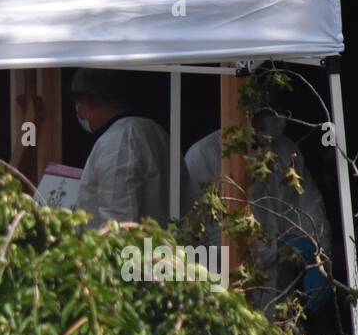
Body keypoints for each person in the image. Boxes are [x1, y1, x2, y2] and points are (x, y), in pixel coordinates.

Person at [184, 108, 332, 316]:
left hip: (282, 296)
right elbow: (207, 240)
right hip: (226, 300)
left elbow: (311, 208)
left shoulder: (286, 150)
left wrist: (318, 255)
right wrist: (272, 248)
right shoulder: (205, 156)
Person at [71, 68, 191, 229]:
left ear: (86, 104)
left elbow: (118, 222)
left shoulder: (120, 140)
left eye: (78, 103)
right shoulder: (153, 130)